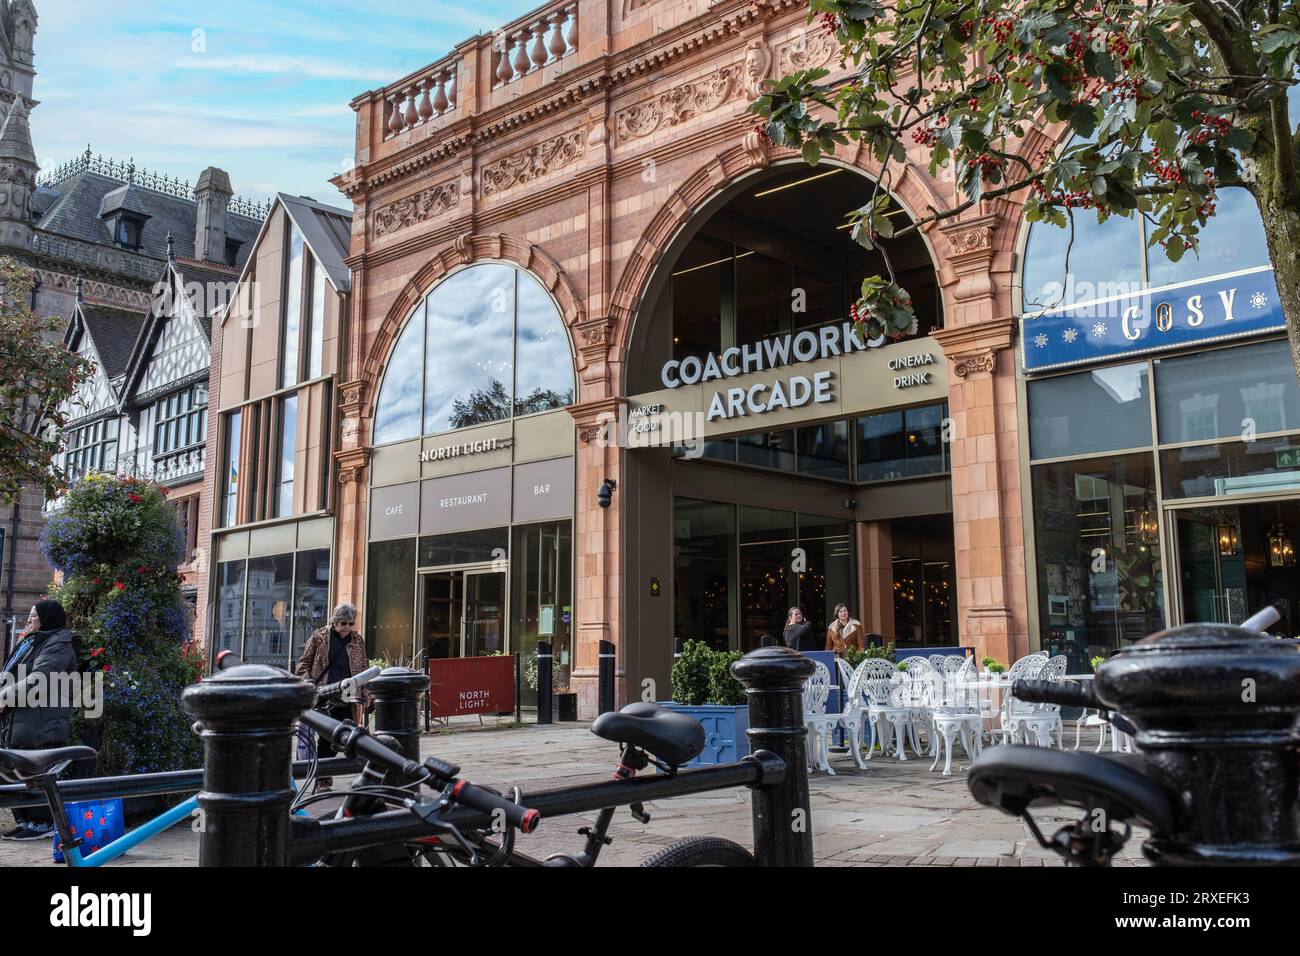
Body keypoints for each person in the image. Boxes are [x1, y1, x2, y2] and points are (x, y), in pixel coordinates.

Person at [0, 600, 79, 840]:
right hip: (23, 719)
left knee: (36, 771)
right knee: (15, 769)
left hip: (42, 721)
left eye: (34, 616)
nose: (29, 620)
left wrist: (3, 697)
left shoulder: (58, 645)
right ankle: (26, 820)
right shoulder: (33, 642)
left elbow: (39, 678)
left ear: (47, 619)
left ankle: (42, 822)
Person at [295, 603, 370, 791]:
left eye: (351, 624)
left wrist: (366, 692)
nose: (347, 627)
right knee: (326, 737)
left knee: (349, 736)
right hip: (324, 694)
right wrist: (308, 682)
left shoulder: (357, 640)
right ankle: (323, 779)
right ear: (334, 622)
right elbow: (303, 664)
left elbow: (363, 667)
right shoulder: (319, 637)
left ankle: (360, 776)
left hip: (348, 695)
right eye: (343, 623)